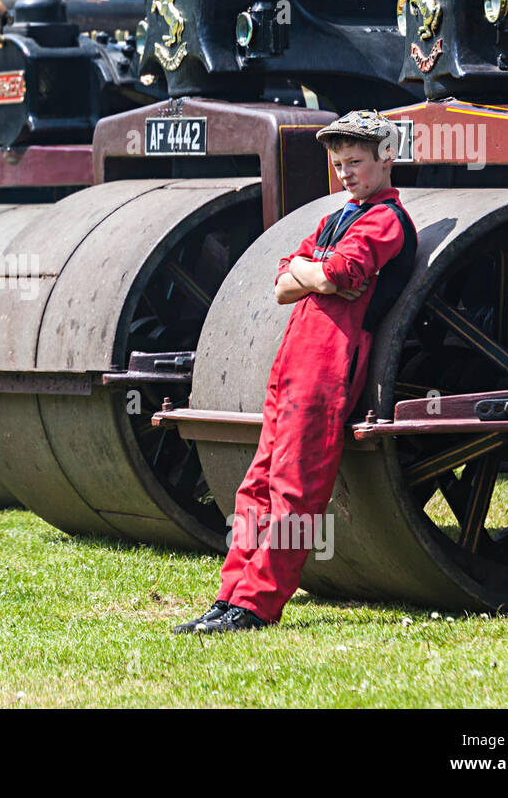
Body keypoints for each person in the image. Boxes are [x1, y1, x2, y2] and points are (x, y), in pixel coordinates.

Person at [174, 109, 416, 635]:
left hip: (330, 363)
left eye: (355, 161)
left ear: (387, 158)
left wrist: (313, 274)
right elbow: (285, 283)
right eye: (339, 162)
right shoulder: (336, 219)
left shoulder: (386, 220)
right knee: (256, 481)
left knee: (294, 488)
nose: (345, 171)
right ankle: (231, 595)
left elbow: (337, 273)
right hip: (294, 358)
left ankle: (257, 605)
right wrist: (314, 276)